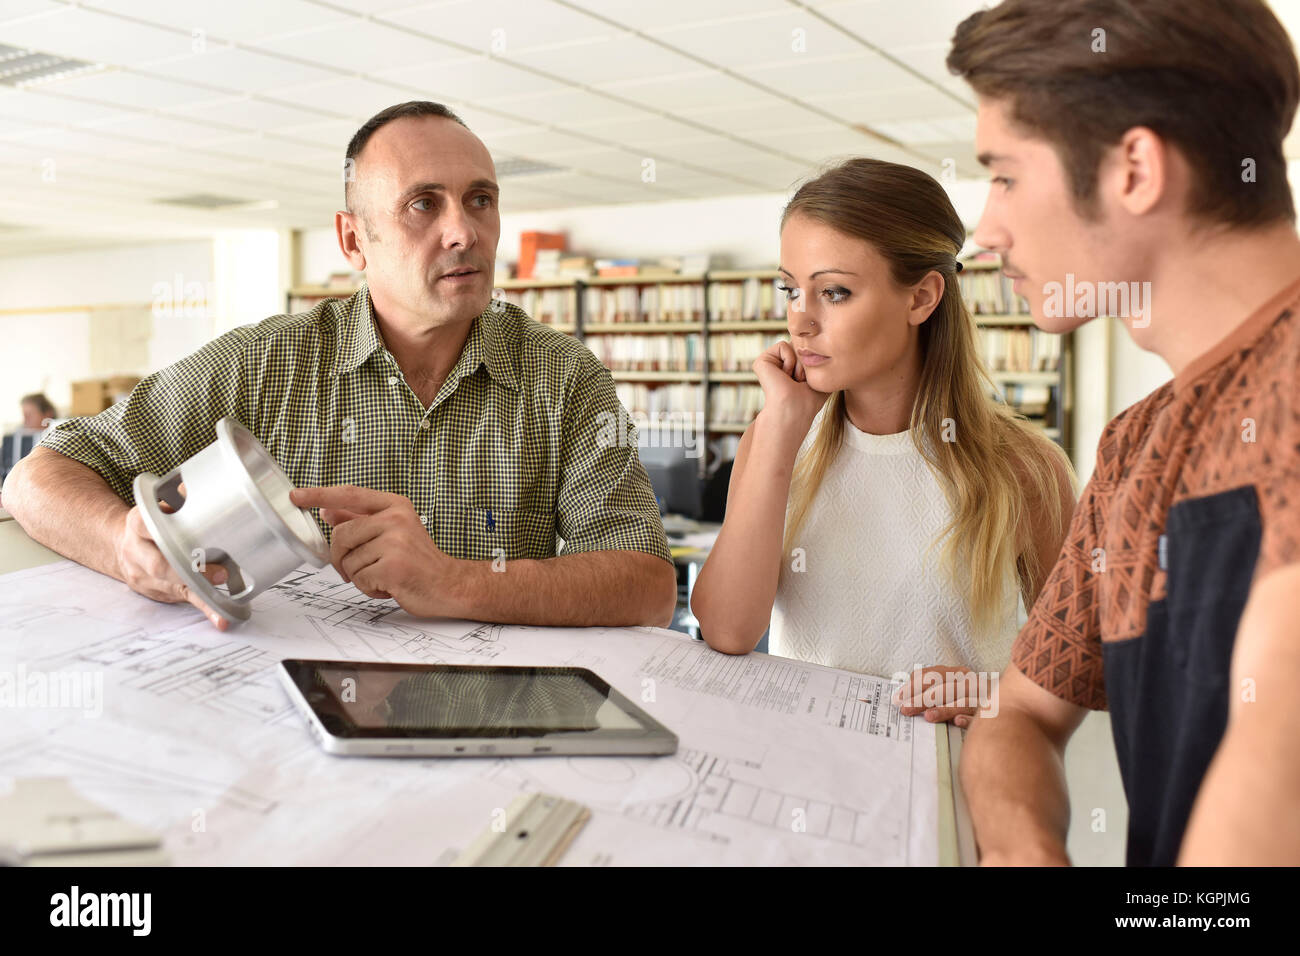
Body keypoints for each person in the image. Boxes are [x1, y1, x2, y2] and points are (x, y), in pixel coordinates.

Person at [2, 101, 676, 632]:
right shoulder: (264, 363)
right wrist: (123, 543)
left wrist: (453, 582)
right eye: (423, 204)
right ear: (354, 239)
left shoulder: (565, 379)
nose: (464, 231)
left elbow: (647, 585)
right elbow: (36, 478)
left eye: (480, 199)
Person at [947, 0, 1300, 865]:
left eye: (1003, 174)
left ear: (1134, 169)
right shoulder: (1136, 444)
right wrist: (1026, 849)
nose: (986, 230)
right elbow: (1020, 712)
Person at [690, 158, 1076, 727]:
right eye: (790, 290)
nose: (800, 321)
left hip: (953, 785)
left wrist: (1000, 694)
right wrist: (777, 433)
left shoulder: (1023, 466)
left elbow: (1086, 668)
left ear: (921, 298)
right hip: (810, 773)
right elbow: (727, 630)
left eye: (835, 292)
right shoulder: (773, 439)